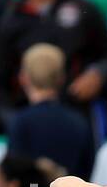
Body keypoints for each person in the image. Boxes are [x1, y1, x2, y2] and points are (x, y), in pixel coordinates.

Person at [5, 44, 94, 179]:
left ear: (24, 79)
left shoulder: (20, 122)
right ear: (62, 78)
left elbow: (15, 175)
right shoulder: (79, 122)